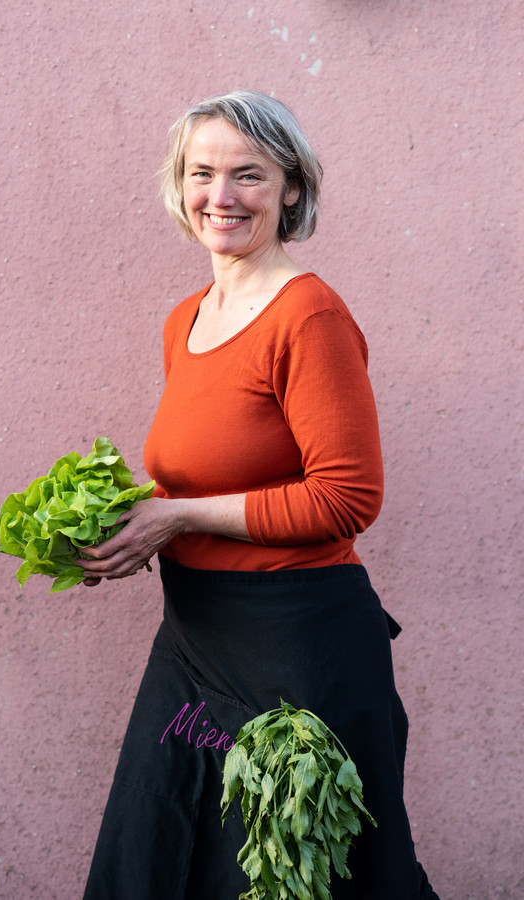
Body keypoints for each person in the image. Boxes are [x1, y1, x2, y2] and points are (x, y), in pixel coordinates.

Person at [78, 90, 440, 900]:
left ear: (290, 189)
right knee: (160, 841)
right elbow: (201, 479)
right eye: (202, 173)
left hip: (297, 656)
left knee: (291, 875)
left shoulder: (308, 315)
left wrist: (177, 515)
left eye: (249, 175)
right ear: (179, 187)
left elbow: (346, 498)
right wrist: (125, 527)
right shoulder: (186, 320)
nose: (222, 196)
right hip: (195, 647)